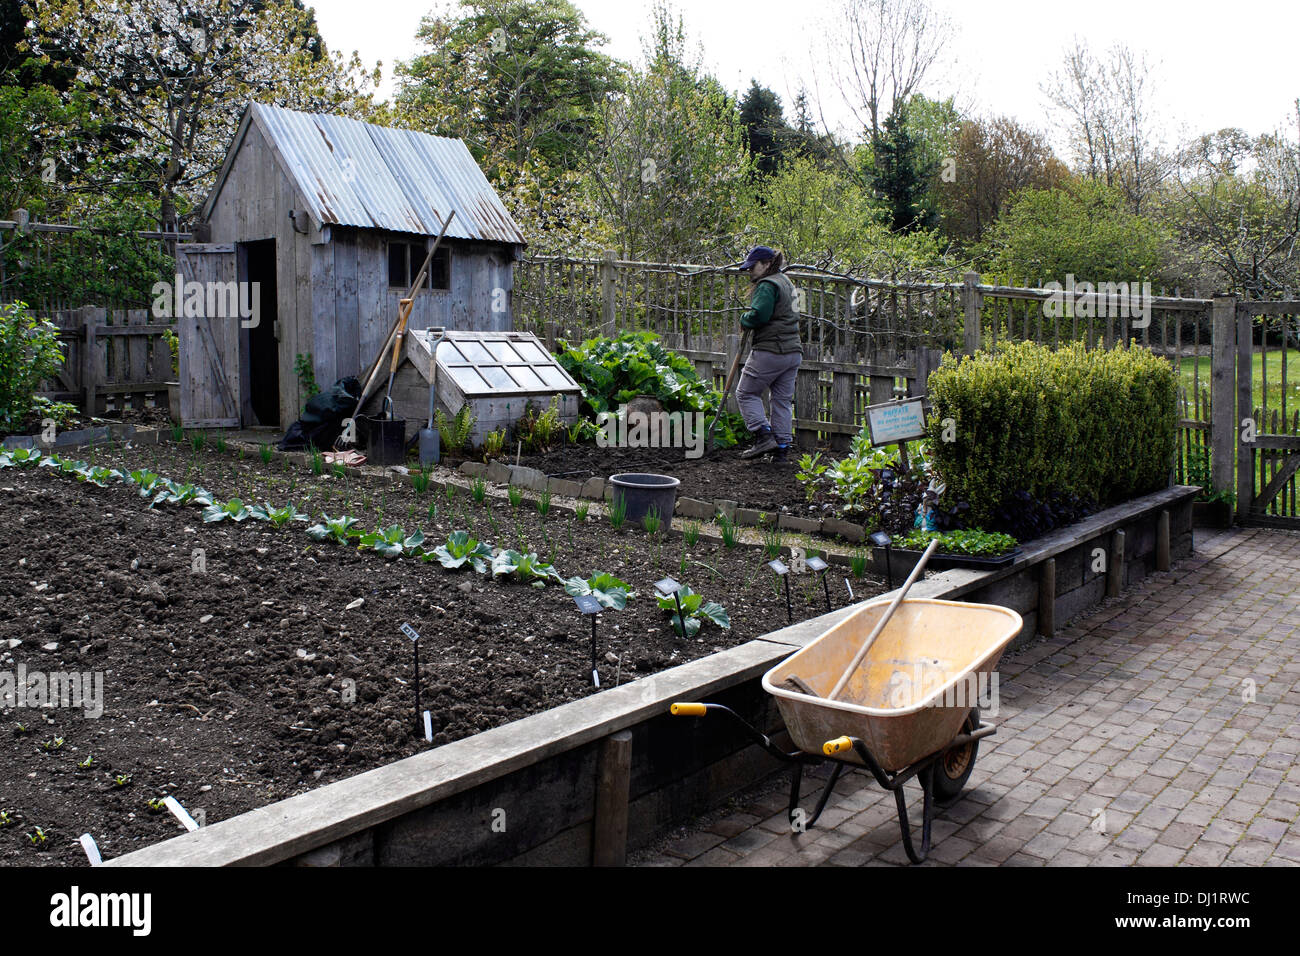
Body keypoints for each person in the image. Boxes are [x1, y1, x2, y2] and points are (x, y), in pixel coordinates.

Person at [734, 246, 801, 461]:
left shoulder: (767, 284)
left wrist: (745, 319)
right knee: (781, 401)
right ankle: (781, 448)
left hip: (771, 349)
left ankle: (763, 436)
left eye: (752, 267)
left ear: (765, 264)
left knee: (745, 393)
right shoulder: (786, 281)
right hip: (792, 351)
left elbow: (760, 315)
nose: (750, 272)